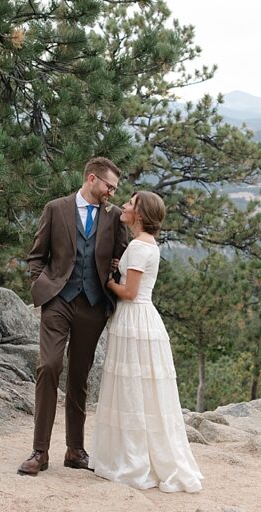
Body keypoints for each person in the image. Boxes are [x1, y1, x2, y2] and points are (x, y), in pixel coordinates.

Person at [18, 157, 128, 476]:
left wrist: (112, 286)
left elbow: (121, 257)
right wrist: (41, 286)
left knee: (79, 376)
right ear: (91, 179)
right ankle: (40, 452)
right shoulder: (56, 208)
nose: (111, 192)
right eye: (109, 186)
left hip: (93, 304)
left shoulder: (115, 216)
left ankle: (74, 450)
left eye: (114, 188)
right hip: (58, 300)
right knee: (49, 366)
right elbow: (37, 255)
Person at [90, 191, 204, 493]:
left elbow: (130, 292)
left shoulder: (140, 246)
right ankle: (137, 452)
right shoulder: (145, 244)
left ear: (139, 215)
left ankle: (134, 458)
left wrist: (109, 281)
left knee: (132, 387)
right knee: (139, 387)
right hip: (140, 318)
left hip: (135, 319)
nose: (124, 206)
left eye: (130, 203)